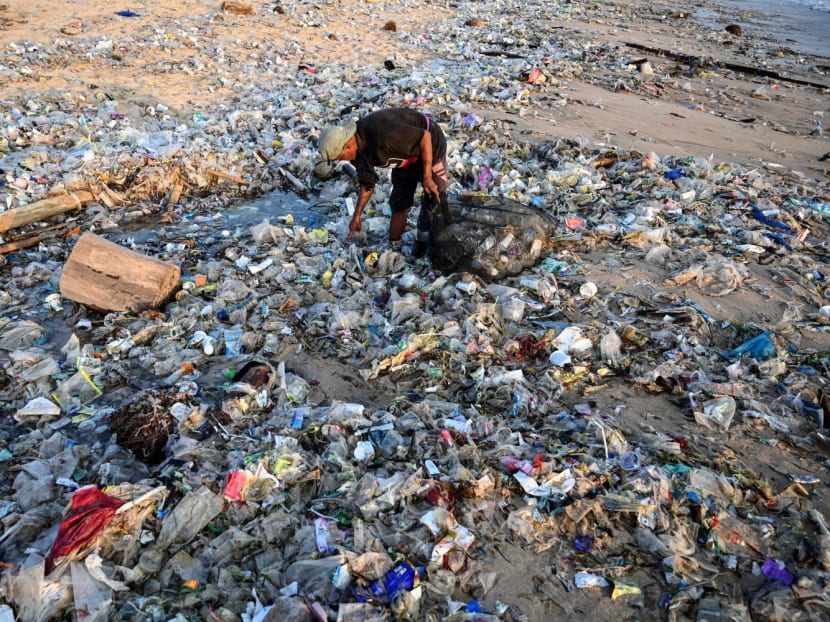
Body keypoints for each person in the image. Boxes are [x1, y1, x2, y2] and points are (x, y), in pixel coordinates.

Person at [317, 107, 449, 255]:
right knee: (399, 202)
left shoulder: (382, 134)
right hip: (403, 159)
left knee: (435, 195)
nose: (342, 161)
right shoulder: (357, 152)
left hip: (430, 145)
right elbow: (367, 185)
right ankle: (395, 243)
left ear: (347, 146)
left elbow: (424, 137)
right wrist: (357, 217)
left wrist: (427, 177)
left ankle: (441, 243)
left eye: (339, 157)